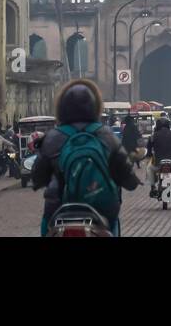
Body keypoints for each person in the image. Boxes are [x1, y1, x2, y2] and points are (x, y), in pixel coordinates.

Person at [31, 78, 139, 236]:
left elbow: (37, 177)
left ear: (61, 108)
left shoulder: (52, 137)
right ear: (95, 107)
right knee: (113, 222)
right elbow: (128, 177)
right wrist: (130, 181)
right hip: (101, 207)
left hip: (59, 206)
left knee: (47, 224)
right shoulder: (107, 135)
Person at [147, 118, 171, 196]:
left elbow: (149, 147)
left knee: (149, 168)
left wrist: (149, 154)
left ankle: (153, 187)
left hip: (158, 163)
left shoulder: (153, 135)